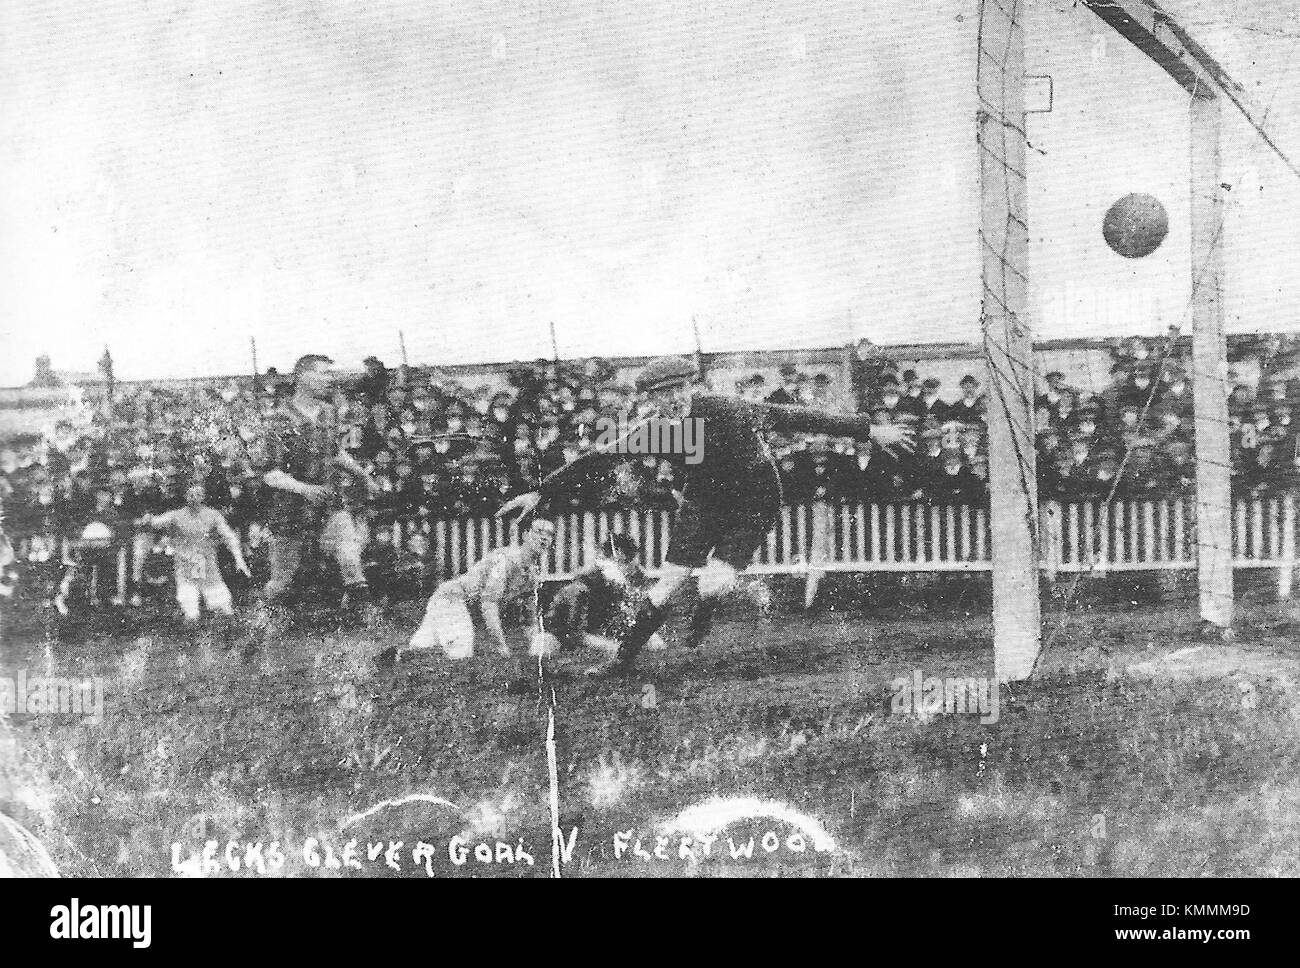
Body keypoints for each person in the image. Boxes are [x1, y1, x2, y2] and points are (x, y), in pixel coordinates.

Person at [497, 356, 915, 675]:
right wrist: (541, 489)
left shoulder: (727, 409)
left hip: (754, 497)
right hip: (703, 500)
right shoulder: (652, 431)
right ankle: (620, 663)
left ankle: (706, 606)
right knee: (666, 585)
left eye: (679, 390)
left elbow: (798, 417)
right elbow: (595, 459)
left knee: (715, 582)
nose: (673, 400)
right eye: (663, 395)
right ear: (652, 400)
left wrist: (869, 430)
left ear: (690, 388)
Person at [257, 354, 377, 607]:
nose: (329, 380)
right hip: (291, 507)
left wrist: (363, 475)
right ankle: (260, 628)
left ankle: (368, 623)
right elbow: (270, 473)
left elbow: (334, 452)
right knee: (281, 582)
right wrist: (304, 489)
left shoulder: (329, 413)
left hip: (328, 500)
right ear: (302, 377)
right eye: (323, 373)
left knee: (350, 557)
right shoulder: (280, 420)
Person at [378, 518, 555, 664]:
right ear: (525, 535)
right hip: (452, 599)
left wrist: (535, 644)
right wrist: (501, 644)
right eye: (539, 532)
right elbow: (488, 604)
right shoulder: (506, 560)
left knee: (422, 650)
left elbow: (529, 614)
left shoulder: (532, 572)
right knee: (460, 655)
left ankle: (390, 658)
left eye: (549, 534)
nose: (544, 538)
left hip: (451, 602)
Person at [534, 532, 663, 657]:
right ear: (615, 559)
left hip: (588, 635)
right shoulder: (581, 588)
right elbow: (574, 635)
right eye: (626, 564)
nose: (631, 572)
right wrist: (613, 647)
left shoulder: (612, 584)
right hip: (553, 638)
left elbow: (625, 620)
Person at [139, 482, 250, 623]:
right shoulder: (176, 515)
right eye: (191, 494)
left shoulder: (213, 515)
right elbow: (156, 522)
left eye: (198, 494)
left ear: (203, 496)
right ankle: (191, 640)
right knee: (191, 614)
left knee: (224, 610)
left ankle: (224, 639)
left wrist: (239, 559)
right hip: (185, 568)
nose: (194, 498)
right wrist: (148, 519)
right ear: (185, 496)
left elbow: (229, 536)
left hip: (208, 568)